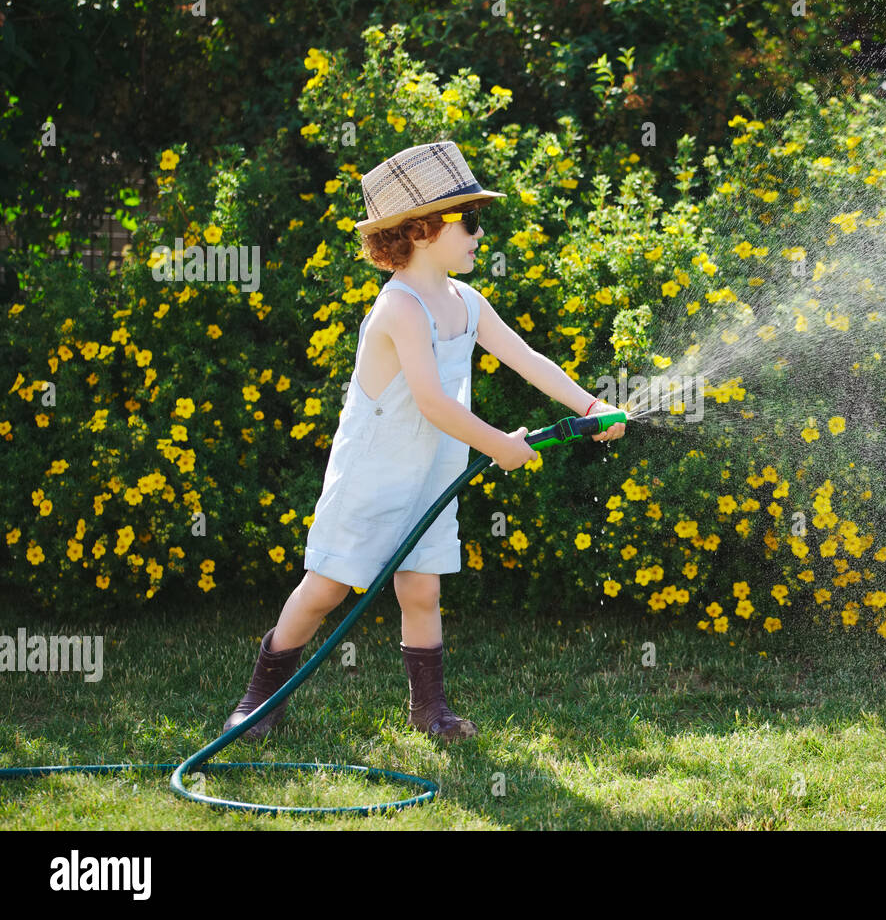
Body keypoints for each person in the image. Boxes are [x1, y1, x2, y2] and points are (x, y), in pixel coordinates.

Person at [223, 142, 626, 745]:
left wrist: (589, 406)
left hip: (434, 467)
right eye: (470, 222)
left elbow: (527, 360)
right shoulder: (399, 308)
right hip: (374, 470)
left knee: (422, 585)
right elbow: (434, 402)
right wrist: (499, 445)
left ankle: (430, 710)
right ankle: (258, 701)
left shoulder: (466, 301)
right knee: (327, 587)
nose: (479, 235)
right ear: (422, 228)